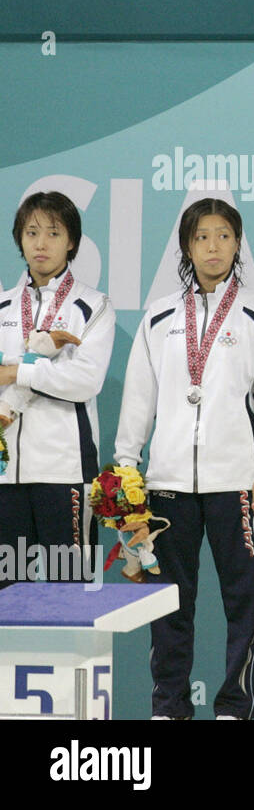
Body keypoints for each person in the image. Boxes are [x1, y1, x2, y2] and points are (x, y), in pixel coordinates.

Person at [116, 198, 254, 719]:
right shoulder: (160, 315)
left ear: (238, 244)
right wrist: (127, 466)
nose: (213, 247)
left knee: (245, 605)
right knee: (168, 604)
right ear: (187, 247)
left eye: (224, 236)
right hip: (167, 482)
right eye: (202, 237)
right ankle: (169, 707)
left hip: (237, 481)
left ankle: (236, 707)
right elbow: (139, 397)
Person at [0, 192, 115, 587]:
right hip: (5, 476)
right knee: (7, 598)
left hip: (65, 472)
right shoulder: (2, 307)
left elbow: (85, 380)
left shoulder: (93, 305)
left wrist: (17, 373)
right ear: (20, 239)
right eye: (31, 232)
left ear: (71, 241)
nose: (41, 243)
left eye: (53, 232)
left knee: (74, 593)